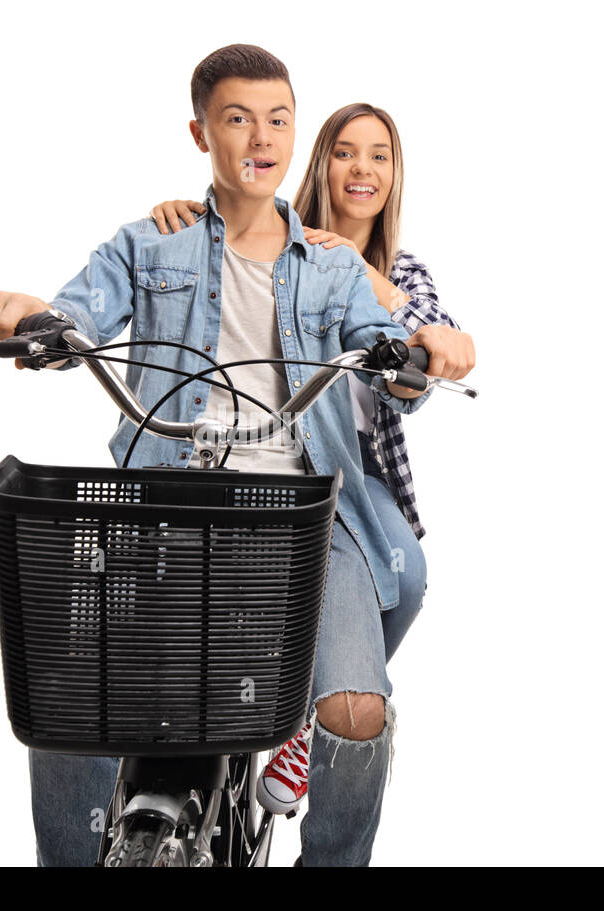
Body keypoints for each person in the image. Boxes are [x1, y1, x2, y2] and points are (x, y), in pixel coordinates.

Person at [0, 44, 474, 866]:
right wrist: (31, 320)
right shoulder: (149, 243)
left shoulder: (336, 267)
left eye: (278, 120)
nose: (261, 138)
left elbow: (385, 346)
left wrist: (423, 350)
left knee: (355, 711)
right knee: (69, 697)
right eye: (237, 119)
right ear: (201, 132)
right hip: (161, 505)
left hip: (308, 514)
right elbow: (75, 317)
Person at [148, 103, 473, 816]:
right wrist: (180, 216)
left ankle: (309, 715)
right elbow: (216, 258)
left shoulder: (401, 268)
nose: (363, 170)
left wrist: (375, 287)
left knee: (407, 578)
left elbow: (430, 330)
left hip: (353, 462)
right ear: (320, 162)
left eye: (380, 156)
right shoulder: (277, 243)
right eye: (346, 153)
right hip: (262, 447)